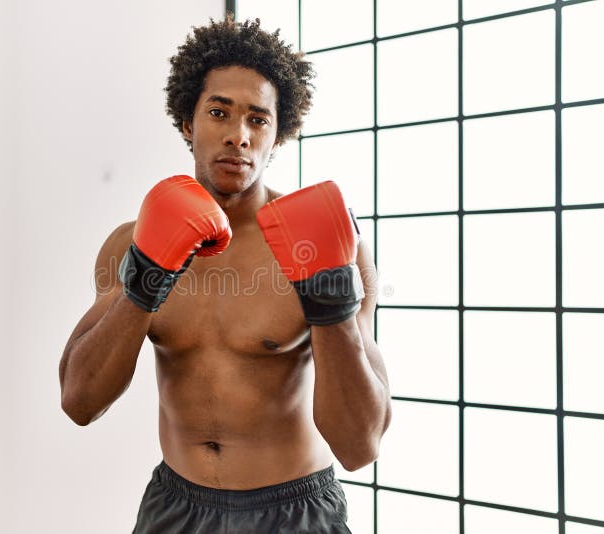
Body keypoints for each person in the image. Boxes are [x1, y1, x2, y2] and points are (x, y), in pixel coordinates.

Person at [58, 15, 391, 533]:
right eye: (219, 112)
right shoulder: (132, 243)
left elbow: (359, 445)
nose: (238, 135)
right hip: (176, 508)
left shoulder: (329, 244)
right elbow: (79, 401)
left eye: (259, 119)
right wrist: (145, 280)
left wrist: (331, 301)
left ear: (279, 135)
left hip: (295, 513)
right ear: (189, 123)